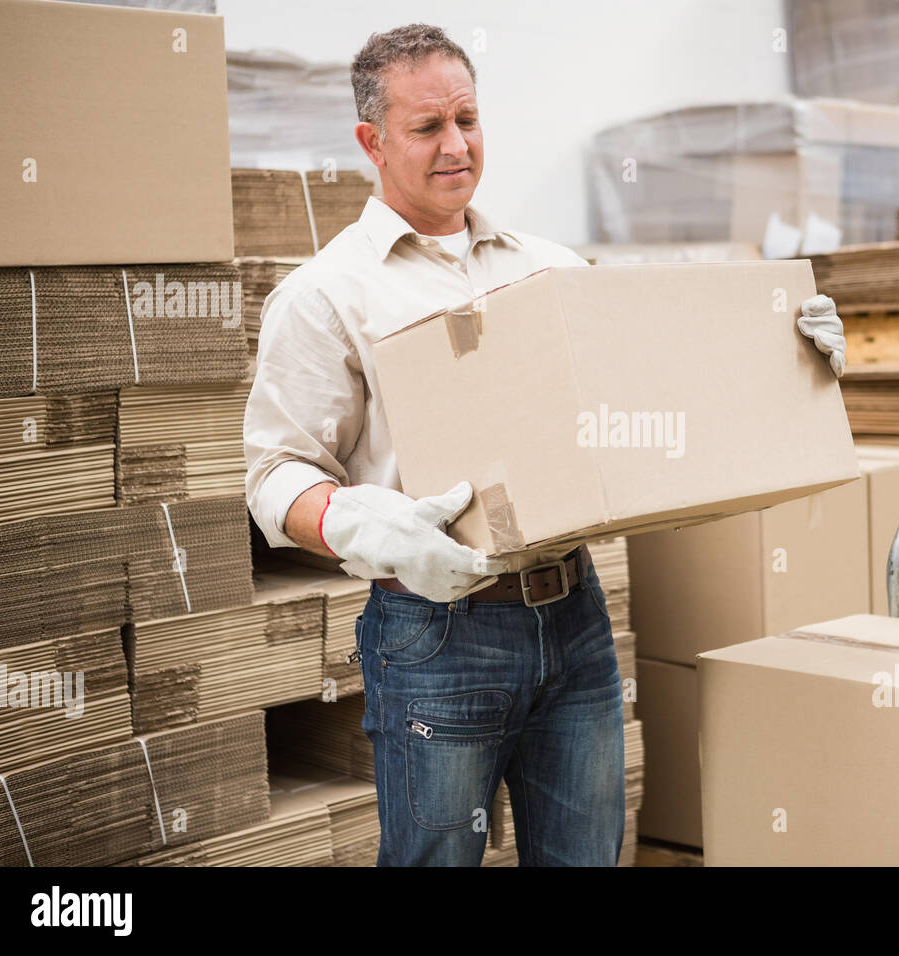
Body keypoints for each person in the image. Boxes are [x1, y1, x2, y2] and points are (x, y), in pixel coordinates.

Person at [242, 22, 847, 867]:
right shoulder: (325, 294)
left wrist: (784, 356)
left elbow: (654, 397)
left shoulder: (549, 269)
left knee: (587, 857)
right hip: (435, 631)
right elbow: (274, 477)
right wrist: (361, 525)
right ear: (371, 142)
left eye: (469, 119)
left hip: (574, 615)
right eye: (427, 128)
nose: (456, 145)